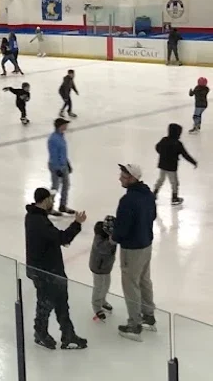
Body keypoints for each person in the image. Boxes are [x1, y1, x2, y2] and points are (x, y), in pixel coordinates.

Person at [25, 187, 87, 350]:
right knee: (45, 303)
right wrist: (77, 223)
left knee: (60, 301)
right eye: (51, 200)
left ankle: (68, 334)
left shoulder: (33, 216)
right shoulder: (39, 221)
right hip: (46, 271)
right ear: (45, 200)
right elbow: (62, 238)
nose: (53, 202)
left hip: (49, 269)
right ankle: (40, 332)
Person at [112, 163, 157, 341]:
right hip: (146, 244)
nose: (120, 178)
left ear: (132, 178)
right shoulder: (148, 194)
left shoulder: (128, 200)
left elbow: (122, 228)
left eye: (123, 176)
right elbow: (153, 216)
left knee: (131, 284)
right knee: (144, 280)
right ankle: (148, 316)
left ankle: (134, 324)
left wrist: (114, 237)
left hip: (132, 249)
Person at [154, 123, 196, 206]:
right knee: (174, 183)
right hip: (171, 167)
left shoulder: (164, 140)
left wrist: (162, 154)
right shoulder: (178, 143)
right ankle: (174, 197)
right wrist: (193, 162)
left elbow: (157, 147)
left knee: (160, 180)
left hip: (162, 164)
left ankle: (154, 193)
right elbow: (185, 155)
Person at [90, 215, 117, 321]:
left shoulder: (111, 234)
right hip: (98, 266)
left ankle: (102, 300)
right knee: (98, 287)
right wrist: (111, 240)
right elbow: (102, 248)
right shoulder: (99, 236)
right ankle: (96, 306)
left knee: (106, 285)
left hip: (106, 266)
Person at [47, 117, 74, 215]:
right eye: (65, 124)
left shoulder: (61, 136)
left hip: (63, 165)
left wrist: (67, 163)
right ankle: (49, 207)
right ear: (60, 126)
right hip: (56, 166)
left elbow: (63, 153)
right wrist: (57, 169)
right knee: (55, 187)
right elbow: (53, 155)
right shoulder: (53, 139)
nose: (67, 126)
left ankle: (63, 205)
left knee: (66, 185)